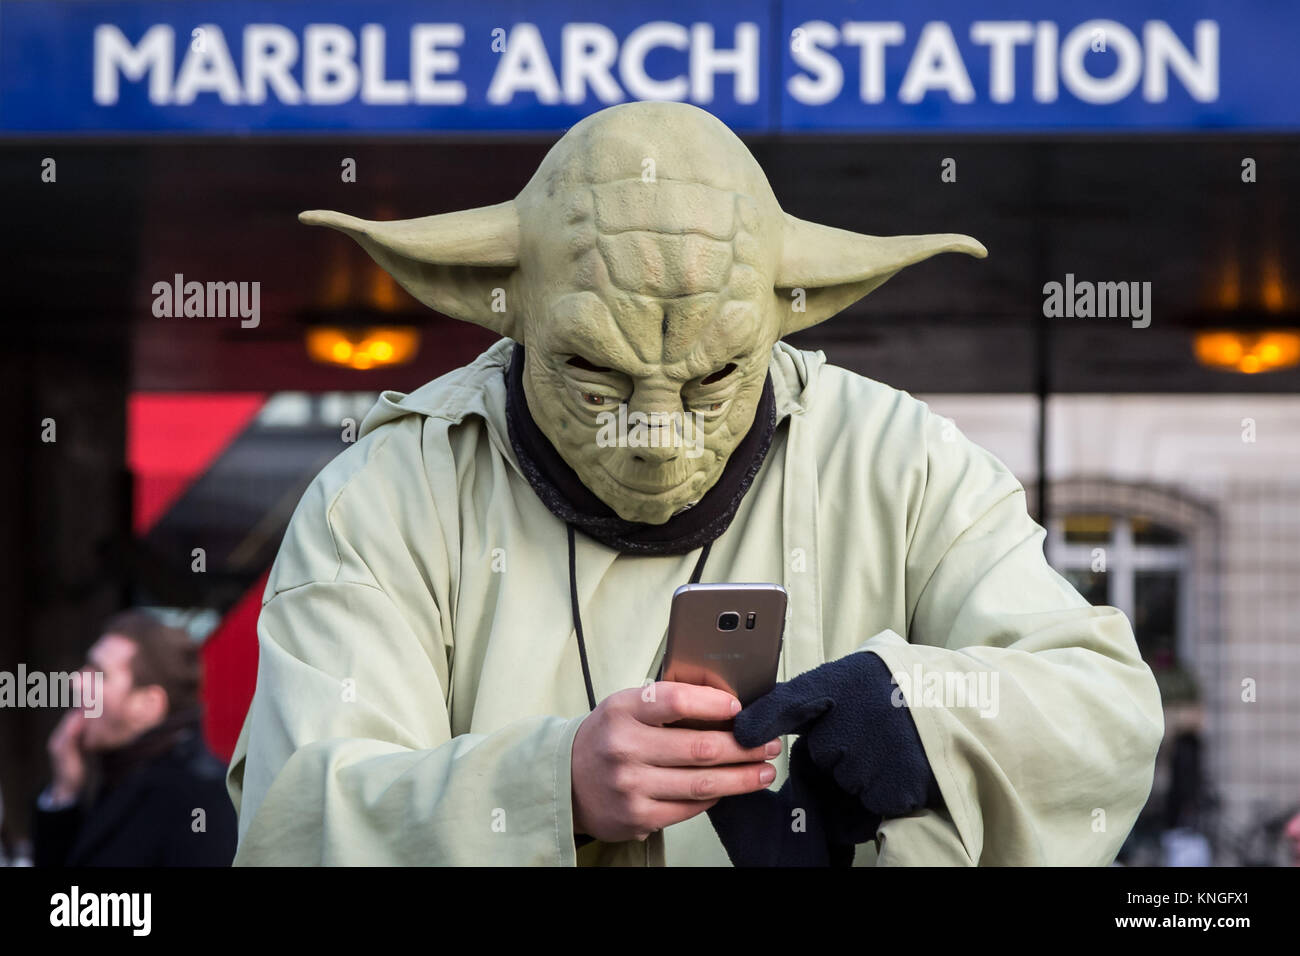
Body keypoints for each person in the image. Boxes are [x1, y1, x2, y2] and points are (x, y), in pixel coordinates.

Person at [227, 101, 1164, 866]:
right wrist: (555, 789)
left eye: (713, 378)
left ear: (787, 312)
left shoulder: (901, 459)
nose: (655, 438)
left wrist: (923, 712)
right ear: (505, 305)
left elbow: (1104, 709)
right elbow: (296, 821)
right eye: (596, 374)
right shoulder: (386, 494)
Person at [34, 609, 236, 866]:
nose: (77, 681)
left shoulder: (200, 798)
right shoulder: (120, 771)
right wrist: (65, 792)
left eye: (99, 673)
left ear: (148, 705)